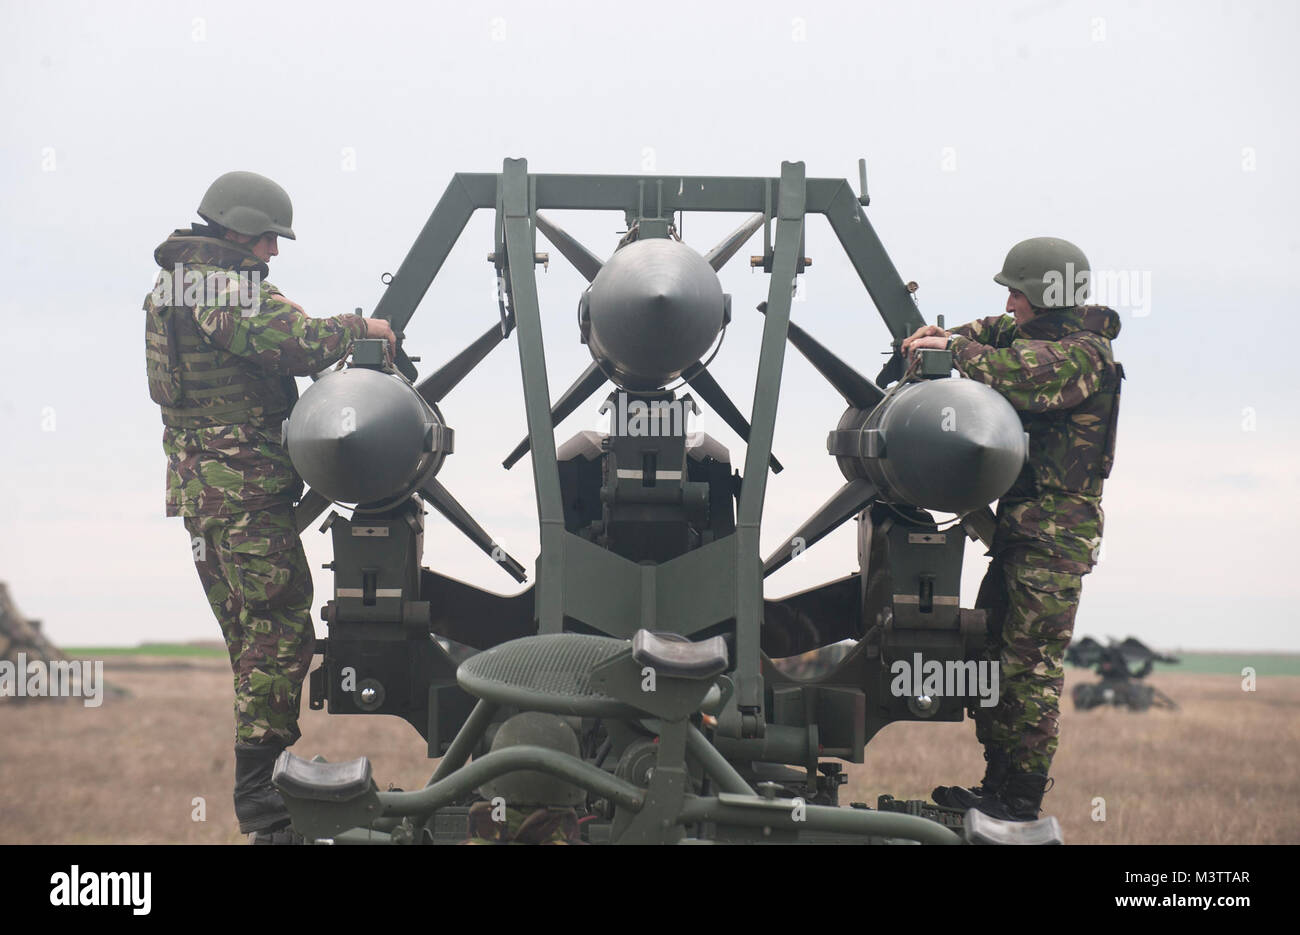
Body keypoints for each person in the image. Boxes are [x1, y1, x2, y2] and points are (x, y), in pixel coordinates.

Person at [143, 171, 396, 837]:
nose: (272, 254)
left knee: (251, 635)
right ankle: (264, 799)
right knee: (279, 630)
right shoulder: (217, 285)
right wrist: (361, 328)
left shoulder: (171, 287)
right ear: (236, 229)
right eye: (265, 240)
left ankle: (266, 789)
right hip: (243, 490)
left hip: (204, 493)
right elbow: (293, 341)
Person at [901, 237, 1124, 822]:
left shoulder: (1085, 354)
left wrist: (955, 350)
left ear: (1046, 295)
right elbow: (993, 332)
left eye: (1016, 290)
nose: (1008, 299)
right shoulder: (1027, 331)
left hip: (1056, 539)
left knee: (1030, 666)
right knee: (994, 656)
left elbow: (1020, 376)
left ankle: (1021, 798)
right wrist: (936, 338)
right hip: (1021, 534)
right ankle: (996, 783)